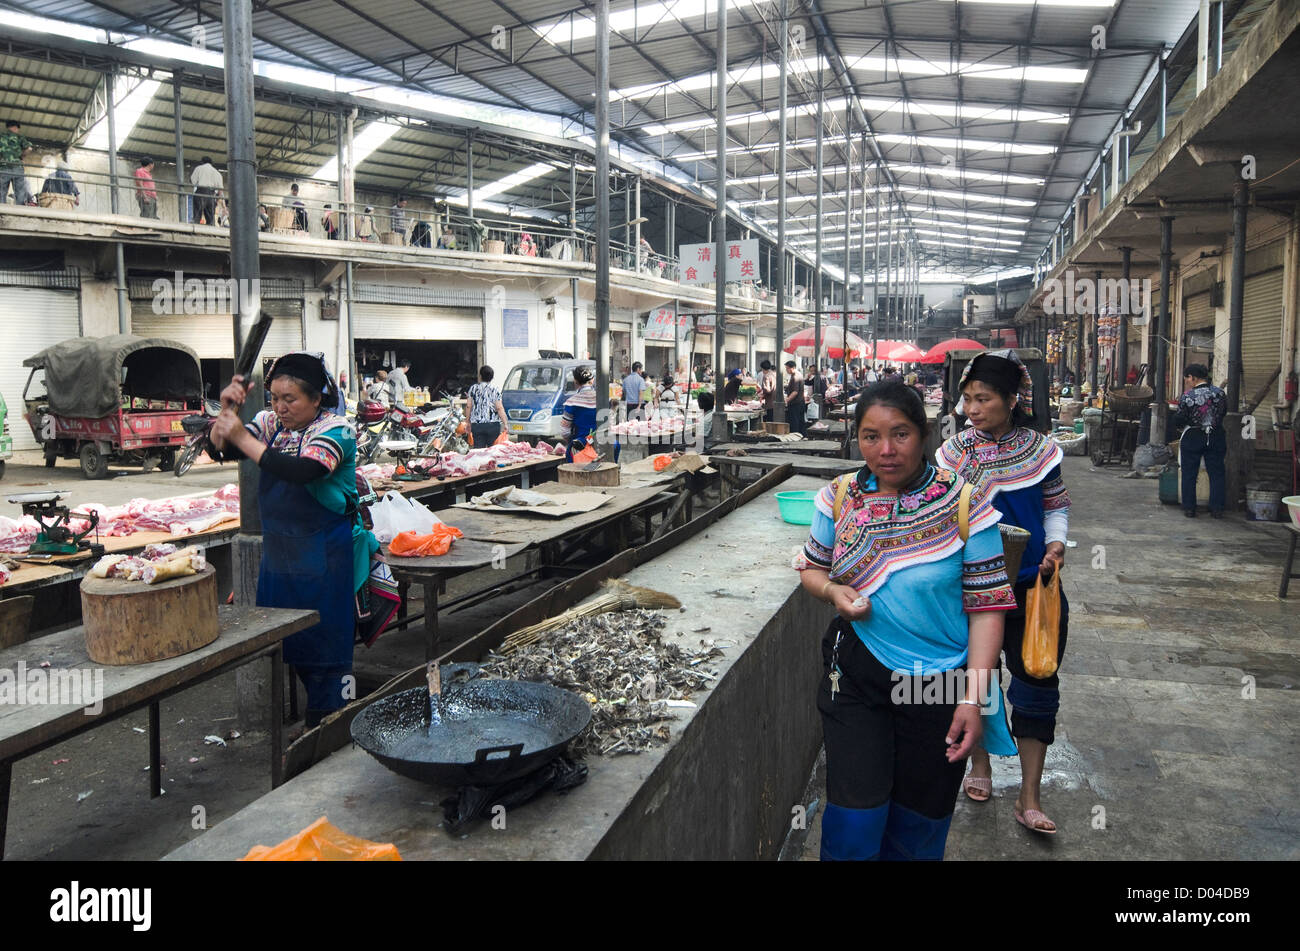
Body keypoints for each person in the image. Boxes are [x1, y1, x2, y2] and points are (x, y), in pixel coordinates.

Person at [796, 381, 1016, 860]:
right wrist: (834, 590)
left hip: (937, 684)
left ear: (926, 434)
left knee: (919, 825)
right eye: (871, 436)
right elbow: (812, 569)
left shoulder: (965, 505)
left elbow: (987, 609)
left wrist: (973, 700)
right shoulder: (838, 498)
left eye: (900, 434)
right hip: (856, 674)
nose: (886, 450)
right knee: (855, 820)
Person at [936, 350, 1071, 835]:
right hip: (971, 590)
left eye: (984, 399)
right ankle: (980, 767)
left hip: (1034, 587)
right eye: (968, 399)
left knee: (1037, 683)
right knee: (978, 681)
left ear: (1012, 400)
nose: (972, 409)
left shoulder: (1041, 450)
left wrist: (1055, 542)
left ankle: (1029, 797)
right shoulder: (952, 454)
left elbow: (1055, 505)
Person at [209, 352, 377, 727]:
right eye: (274, 398)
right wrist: (222, 426)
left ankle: (332, 727)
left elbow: (304, 470)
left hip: (324, 559)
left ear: (316, 399)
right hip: (282, 559)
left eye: (291, 399)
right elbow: (224, 449)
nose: (280, 408)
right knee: (291, 642)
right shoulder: (270, 424)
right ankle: (318, 723)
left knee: (328, 652)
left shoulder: (336, 429)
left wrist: (239, 437)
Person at [1171, 363, 1227, 519]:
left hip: (1194, 436)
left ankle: (1189, 508)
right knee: (1217, 473)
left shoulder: (1188, 396)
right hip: (1216, 436)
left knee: (1189, 473)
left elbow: (1180, 419)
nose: (1187, 382)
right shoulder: (1220, 393)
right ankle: (1217, 509)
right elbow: (1223, 412)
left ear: (1193, 377)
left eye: (1187, 378)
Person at [560, 366, 598, 462]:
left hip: (580, 447)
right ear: (592, 380)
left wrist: (570, 441)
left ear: (575, 381)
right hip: (603, 444)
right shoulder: (603, 400)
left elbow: (565, 432)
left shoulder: (571, 402)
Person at [466, 365, 507, 448]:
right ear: (492, 377)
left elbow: (468, 406)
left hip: (477, 425)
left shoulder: (473, 388)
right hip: (492, 425)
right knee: (493, 451)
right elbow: (499, 408)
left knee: (478, 451)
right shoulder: (495, 389)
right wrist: (505, 423)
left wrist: (467, 422)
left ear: (480, 376)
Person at [0, 119, 33, 205]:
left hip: (3, 167)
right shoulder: (19, 137)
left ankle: (1, 211)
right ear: (15, 128)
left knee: (2, 191)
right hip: (17, 167)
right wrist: (21, 156)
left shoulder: (1, 136)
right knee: (19, 191)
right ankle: (20, 212)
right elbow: (29, 148)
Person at [190, 156, 223, 226]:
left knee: (197, 214)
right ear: (211, 163)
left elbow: (192, 181)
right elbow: (220, 190)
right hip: (211, 194)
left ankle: (195, 230)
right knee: (210, 217)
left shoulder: (199, 168)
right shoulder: (216, 172)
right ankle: (211, 233)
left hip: (200, 192)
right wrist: (217, 200)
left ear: (202, 162)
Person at [784, 360, 806, 435]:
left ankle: (796, 437)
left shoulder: (796, 376)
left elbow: (795, 392)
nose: (786, 370)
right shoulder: (797, 374)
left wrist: (787, 400)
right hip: (800, 402)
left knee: (795, 422)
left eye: (787, 368)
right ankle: (802, 435)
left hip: (796, 403)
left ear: (792, 368)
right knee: (800, 421)